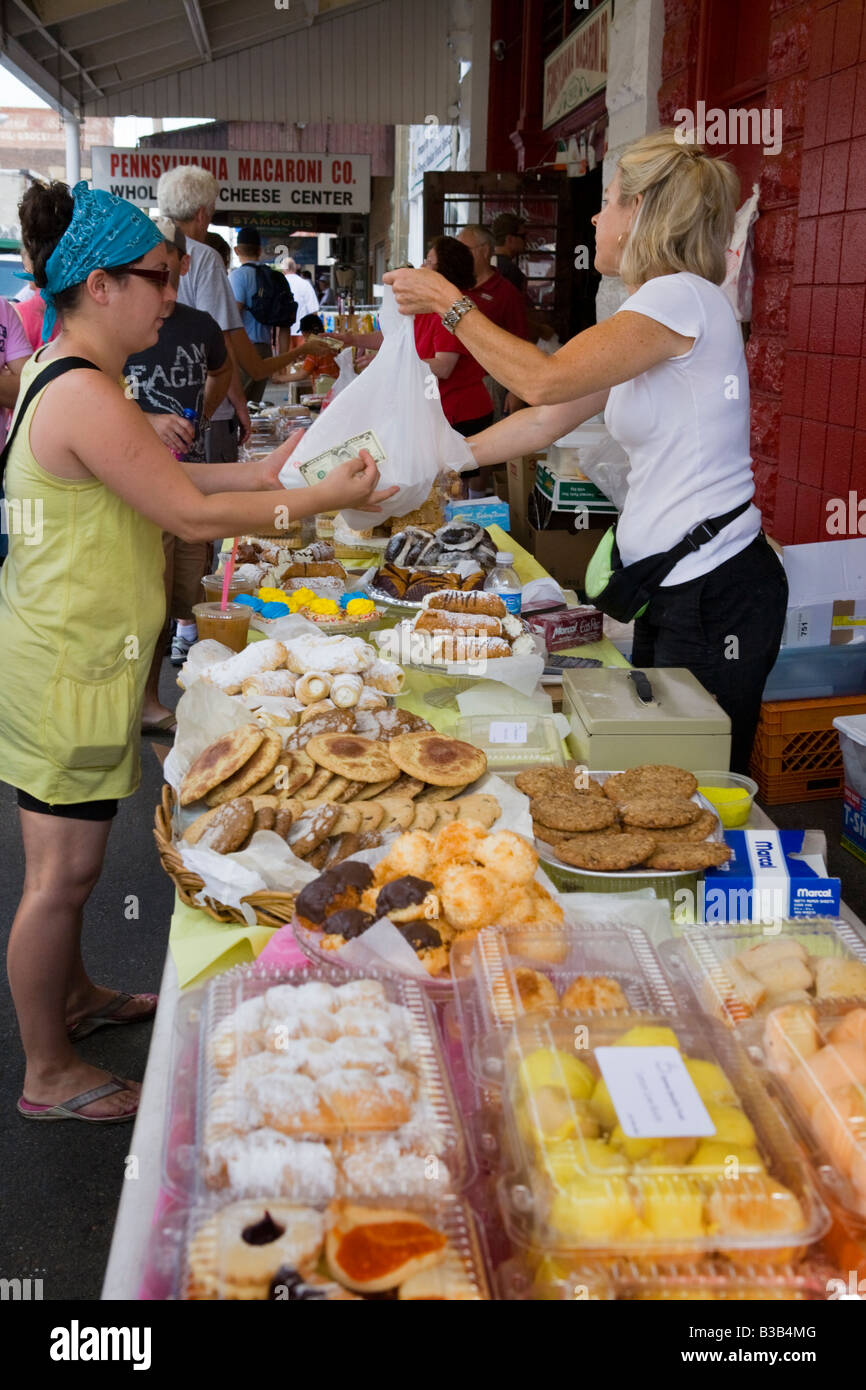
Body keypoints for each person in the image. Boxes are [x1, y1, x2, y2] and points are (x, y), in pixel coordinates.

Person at [0, 178, 397, 1125]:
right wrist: (320, 499)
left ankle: (77, 997)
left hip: (71, 656)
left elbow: (166, 473)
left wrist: (265, 472)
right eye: (156, 277)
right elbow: (181, 510)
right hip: (66, 665)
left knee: (76, 871)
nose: (172, 296)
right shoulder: (82, 389)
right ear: (99, 285)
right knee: (58, 879)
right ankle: (46, 1073)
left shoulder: (75, 376)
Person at [385, 130, 788, 774]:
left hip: (716, 588)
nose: (596, 219)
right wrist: (438, 461)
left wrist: (448, 302)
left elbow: (542, 380)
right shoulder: (655, 313)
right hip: (675, 582)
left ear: (641, 216)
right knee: (663, 774)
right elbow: (547, 417)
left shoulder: (677, 297)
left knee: (697, 787)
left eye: (609, 204)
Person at [123, 217, 231, 722]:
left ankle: (190, 694)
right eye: (153, 275)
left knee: (188, 594)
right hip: (139, 487)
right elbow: (86, 394)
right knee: (152, 598)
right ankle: (144, 702)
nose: (163, 289)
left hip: (189, 477)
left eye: (169, 273)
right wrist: (149, 420)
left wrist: (204, 413)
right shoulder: (121, 330)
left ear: (183, 268)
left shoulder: (197, 324)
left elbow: (222, 368)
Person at [156, 167, 305, 462]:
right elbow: (219, 342)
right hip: (204, 408)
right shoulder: (202, 257)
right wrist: (239, 405)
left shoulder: (140, 250)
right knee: (212, 496)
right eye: (211, 212)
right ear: (201, 214)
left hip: (154, 411)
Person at [458, 222, 529, 426]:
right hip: (454, 383)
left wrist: (516, 392)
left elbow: (520, 344)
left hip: (489, 382)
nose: (459, 255)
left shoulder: (506, 293)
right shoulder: (455, 287)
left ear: (484, 251)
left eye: (464, 250)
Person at [229, 226, 297, 405]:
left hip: (243, 350)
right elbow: (284, 323)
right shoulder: (275, 277)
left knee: (235, 407)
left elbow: (231, 316)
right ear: (259, 250)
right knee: (252, 407)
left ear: (236, 250)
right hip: (265, 351)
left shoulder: (238, 276)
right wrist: (281, 362)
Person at [277, 255, 320, 336]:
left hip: (282, 333)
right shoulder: (305, 284)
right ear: (295, 268)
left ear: (283, 269)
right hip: (302, 333)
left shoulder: (279, 284)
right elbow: (313, 311)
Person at [491, 212, 528, 292]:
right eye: (523, 236)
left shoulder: (486, 263)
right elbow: (515, 303)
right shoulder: (511, 271)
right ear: (510, 239)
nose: (526, 240)